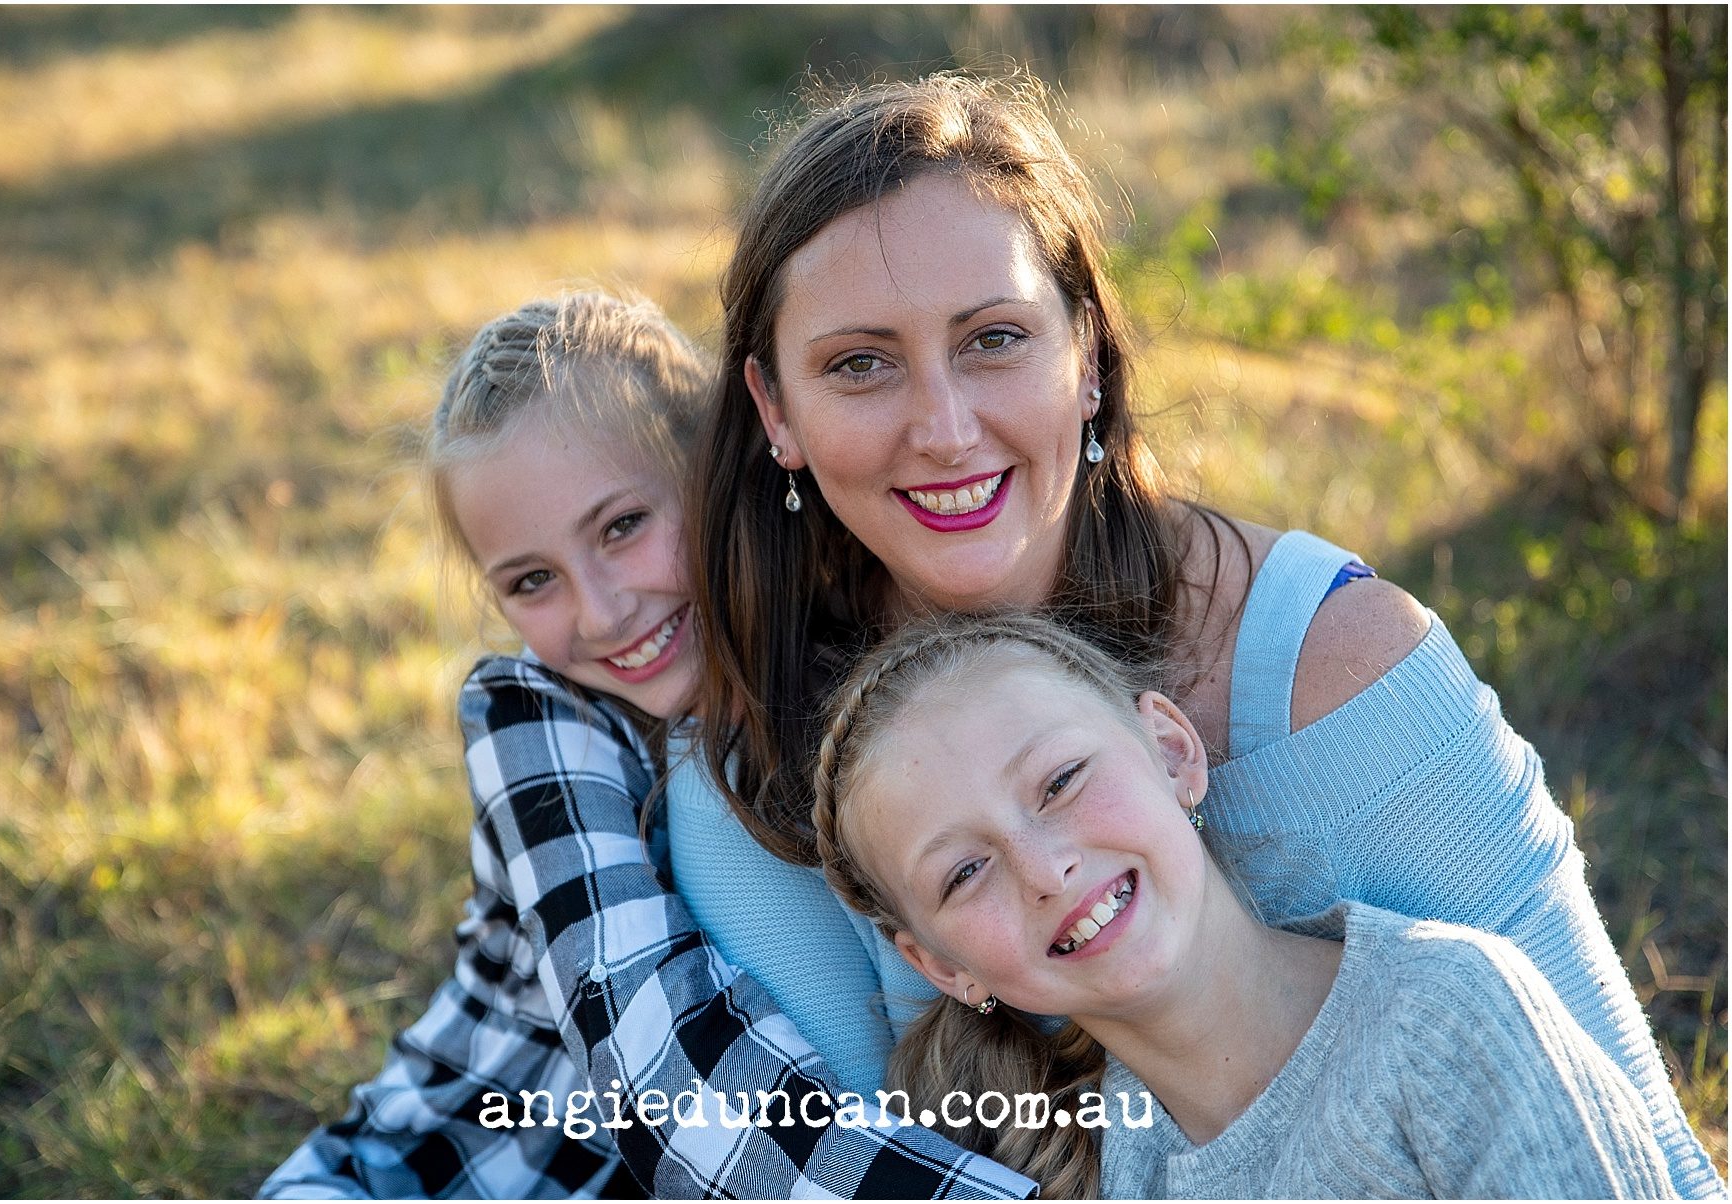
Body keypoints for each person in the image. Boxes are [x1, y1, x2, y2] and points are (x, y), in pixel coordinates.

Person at [676, 72, 1723, 1196]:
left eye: (992, 338)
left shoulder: (1334, 664)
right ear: (775, 409)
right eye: (859, 364)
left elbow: (1634, 1154)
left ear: (1086, 353)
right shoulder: (764, 761)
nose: (942, 427)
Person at [261, 293, 1036, 1198]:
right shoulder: (534, 722)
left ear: (714, 472)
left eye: (622, 528)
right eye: (532, 580)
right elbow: (667, 1082)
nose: (601, 611)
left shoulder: (841, 662)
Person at [813, 610, 1682, 1199]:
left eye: (1062, 781)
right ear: (942, 967)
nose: (1044, 869)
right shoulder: (1099, 1170)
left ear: (1171, 751)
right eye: (965, 872)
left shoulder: (1440, 1020)